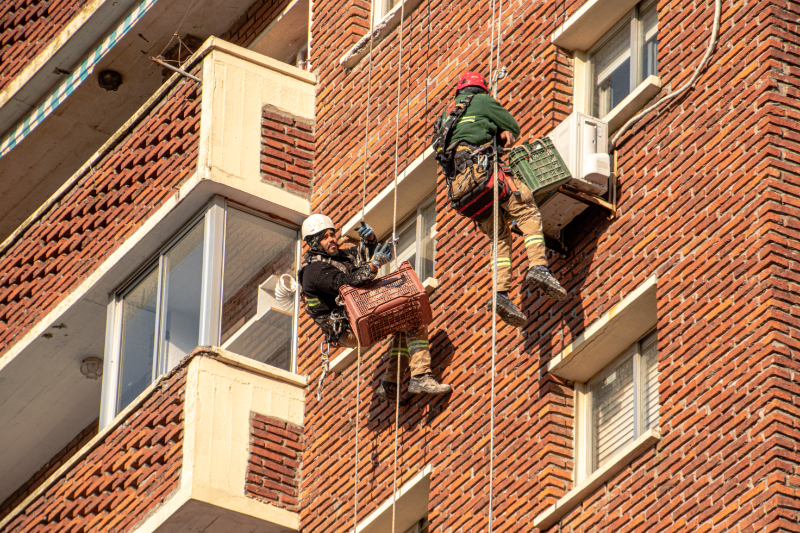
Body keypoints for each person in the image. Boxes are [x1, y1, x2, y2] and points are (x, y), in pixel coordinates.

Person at [433, 71, 567, 328]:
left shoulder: (445, 117)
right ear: (482, 89)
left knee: (500, 235)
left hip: (462, 191)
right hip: (484, 175)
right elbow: (513, 126)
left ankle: (500, 293)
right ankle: (538, 267)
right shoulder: (482, 101)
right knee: (527, 211)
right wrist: (502, 131)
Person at [298, 214, 451, 401]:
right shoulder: (314, 271)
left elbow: (358, 254)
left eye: (332, 234)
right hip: (347, 328)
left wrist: (370, 240)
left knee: (403, 325)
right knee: (412, 318)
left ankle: (390, 384)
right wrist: (374, 265)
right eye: (325, 237)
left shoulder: (335, 257)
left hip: (355, 319)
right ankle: (421, 376)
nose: (332, 239)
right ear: (314, 243)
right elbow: (348, 283)